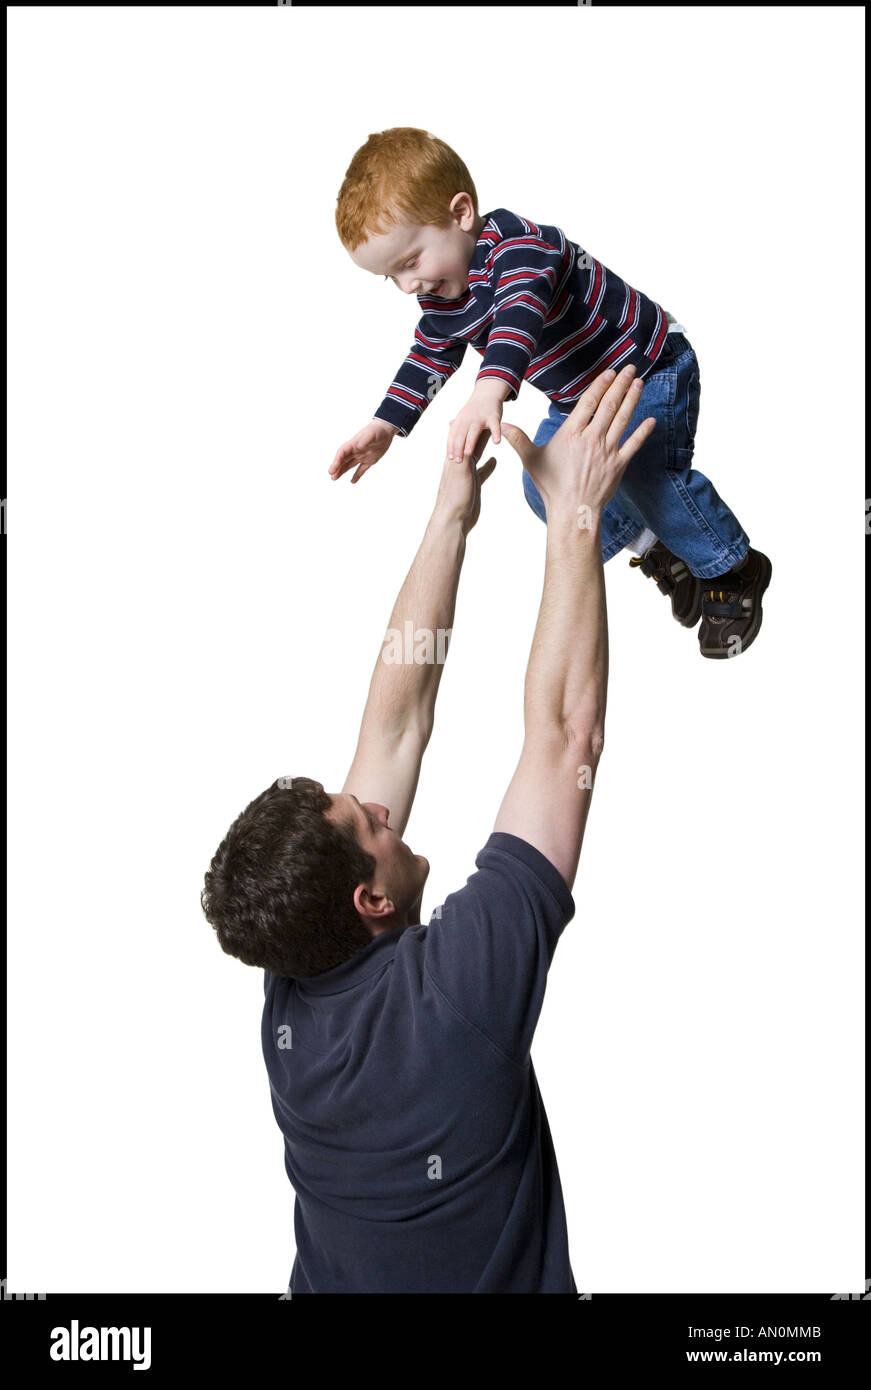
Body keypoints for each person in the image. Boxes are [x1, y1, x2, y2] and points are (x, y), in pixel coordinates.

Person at [202, 364, 653, 1293]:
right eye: (367, 824)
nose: (379, 804)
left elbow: (395, 724)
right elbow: (566, 737)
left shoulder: (293, 977)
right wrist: (576, 515)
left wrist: (452, 512)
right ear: (367, 899)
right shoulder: (457, 994)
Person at [330, 126, 771, 658]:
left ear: (461, 214)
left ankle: (733, 566)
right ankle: (662, 550)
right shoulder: (443, 297)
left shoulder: (520, 247)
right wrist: (387, 424)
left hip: (648, 367)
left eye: (411, 262)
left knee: (645, 473)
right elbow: (430, 352)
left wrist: (490, 389)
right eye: (390, 278)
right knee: (545, 487)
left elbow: (521, 309)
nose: (408, 287)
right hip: (580, 400)